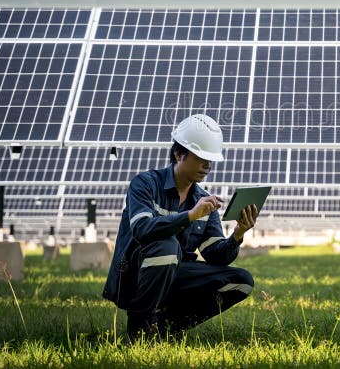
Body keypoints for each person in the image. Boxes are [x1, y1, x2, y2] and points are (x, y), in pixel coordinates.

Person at [103, 114, 259, 340]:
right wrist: (189, 215)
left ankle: (166, 329)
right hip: (136, 275)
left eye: (210, 160)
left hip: (175, 273)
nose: (207, 166)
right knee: (166, 248)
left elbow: (216, 256)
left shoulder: (203, 200)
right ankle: (138, 330)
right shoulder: (145, 184)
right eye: (201, 158)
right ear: (178, 153)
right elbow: (143, 229)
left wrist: (237, 234)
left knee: (241, 281)